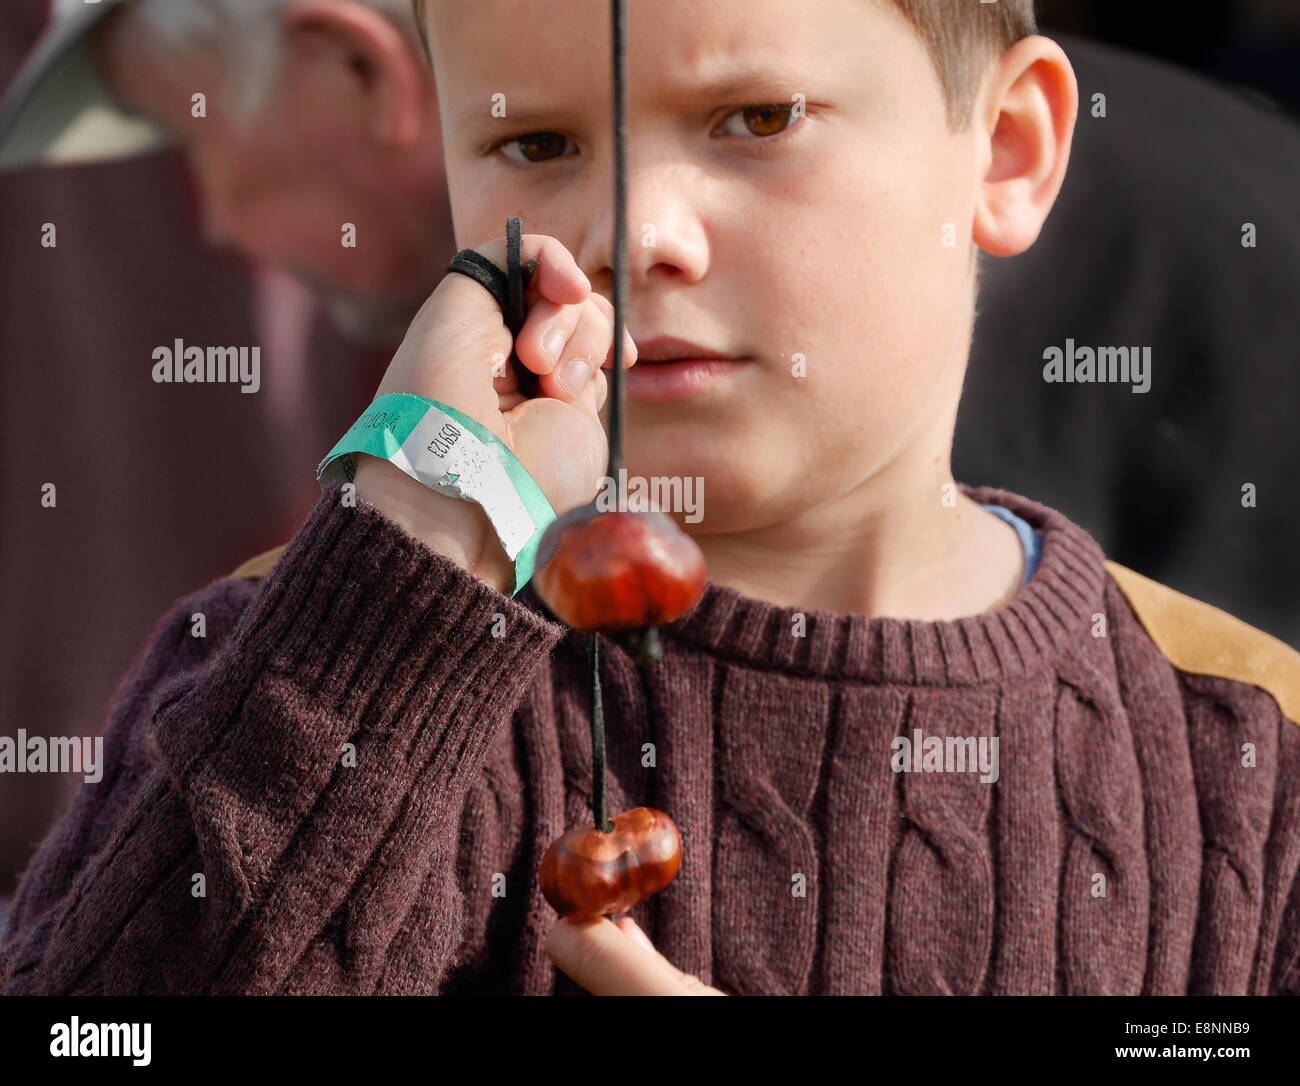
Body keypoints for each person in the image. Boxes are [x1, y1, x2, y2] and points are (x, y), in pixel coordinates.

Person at [2, 0, 1299, 997]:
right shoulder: (308, 652)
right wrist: (423, 528)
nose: (632, 227)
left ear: (1005, 152)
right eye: (535, 140)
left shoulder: (1246, 741)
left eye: (756, 118)